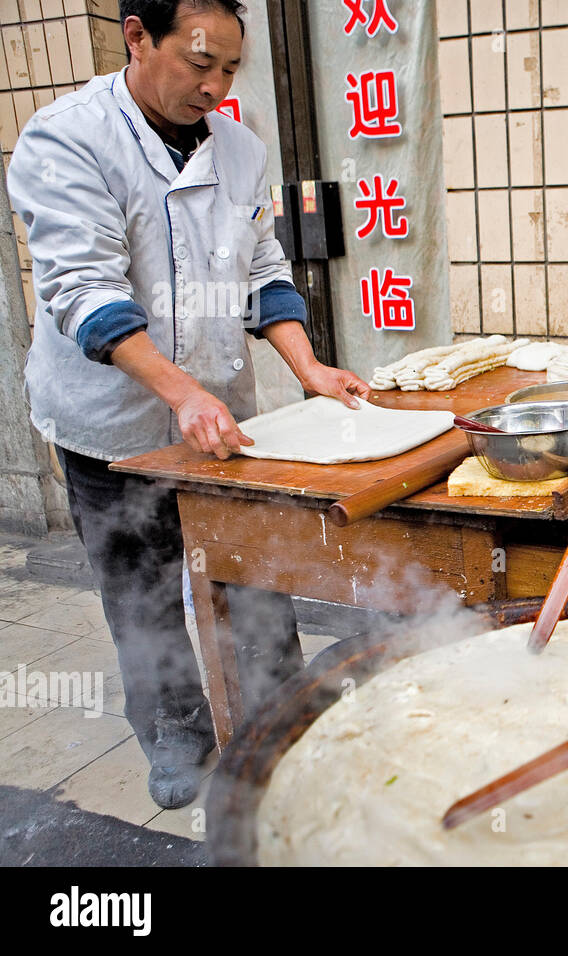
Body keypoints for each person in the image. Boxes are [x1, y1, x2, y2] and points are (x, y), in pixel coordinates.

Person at [8, 0, 369, 808]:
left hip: (218, 418)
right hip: (111, 420)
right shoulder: (67, 138)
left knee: (251, 569)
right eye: (198, 64)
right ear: (137, 35)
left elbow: (263, 267)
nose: (215, 86)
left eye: (231, 70)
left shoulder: (239, 148)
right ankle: (175, 731)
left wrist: (309, 367)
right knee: (139, 585)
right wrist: (178, 391)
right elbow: (81, 289)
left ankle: (278, 714)